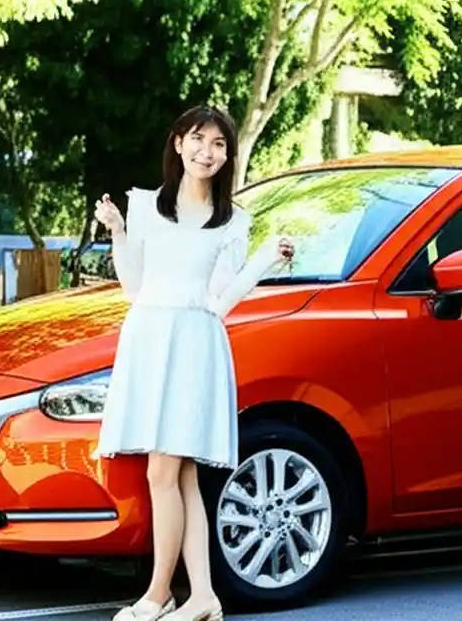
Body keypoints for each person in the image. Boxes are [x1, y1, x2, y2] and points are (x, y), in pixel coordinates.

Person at [92, 105, 294, 621]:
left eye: (219, 144)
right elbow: (134, 287)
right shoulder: (143, 206)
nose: (208, 152)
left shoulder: (233, 222)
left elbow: (219, 302)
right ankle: (202, 596)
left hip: (195, 345)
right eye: (199, 140)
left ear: (228, 155)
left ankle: (158, 595)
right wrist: (117, 230)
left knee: (163, 471)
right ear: (178, 143)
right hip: (150, 338)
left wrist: (265, 260)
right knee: (180, 478)